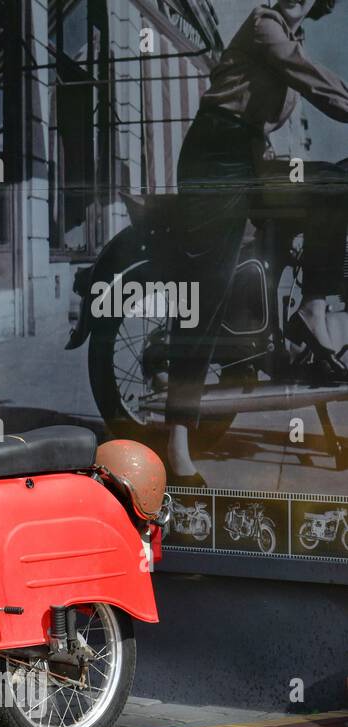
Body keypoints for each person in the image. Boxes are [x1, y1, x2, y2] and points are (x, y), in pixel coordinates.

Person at [166, 0, 348, 486]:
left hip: (250, 158)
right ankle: (177, 436)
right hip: (214, 157)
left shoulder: (292, 41)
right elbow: (313, 82)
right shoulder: (265, 25)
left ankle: (312, 309)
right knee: (209, 286)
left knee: (333, 185)